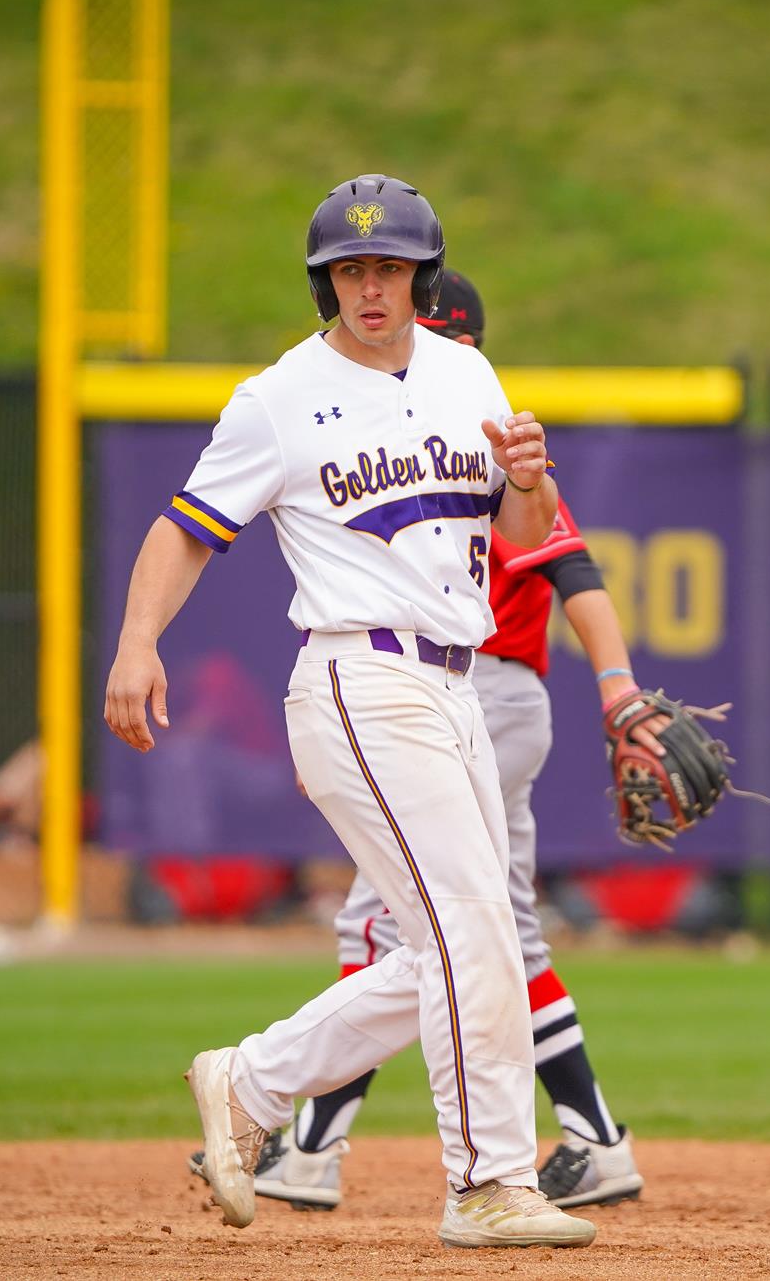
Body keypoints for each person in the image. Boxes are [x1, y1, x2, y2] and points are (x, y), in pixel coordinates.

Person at [103, 175, 597, 1249]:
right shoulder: (279, 395)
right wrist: (139, 639)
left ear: (421, 275)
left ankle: (247, 1083)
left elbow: (519, 529)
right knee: (470, 924)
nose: (368, 287)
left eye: (387, 267)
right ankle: (486, 1183)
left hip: (456, 683)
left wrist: (526, 478)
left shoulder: (465, 368)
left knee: (455, 949)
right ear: (324, 280)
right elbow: (184, 529)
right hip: (359, 680)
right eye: (348, 269)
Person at [192, 270, 650, 1214]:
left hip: (481, 695)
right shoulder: (339, 411)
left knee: (442, 928)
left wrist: (618, 684)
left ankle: (290, 1117)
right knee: (471, 930)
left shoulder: (479, 419)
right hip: (390, 683)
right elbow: (194, 522)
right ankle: (500, 1165)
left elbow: (565, 557)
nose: (412, 333)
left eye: (434, 321)